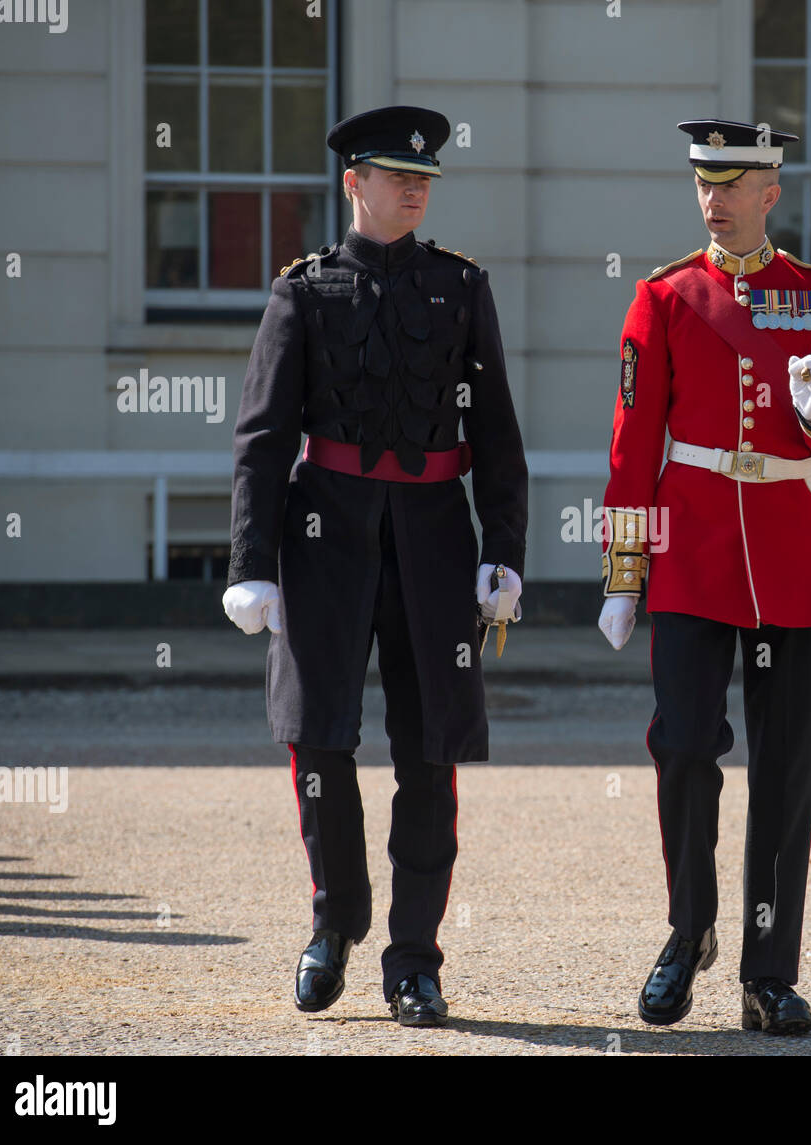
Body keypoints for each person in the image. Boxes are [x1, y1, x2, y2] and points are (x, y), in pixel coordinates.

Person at [221, 105, 528, 1027]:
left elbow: (499, 434)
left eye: (425, 176)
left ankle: (414, 958)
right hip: (325, 534)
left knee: (431, 749)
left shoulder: (462, 286)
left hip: (435, 537)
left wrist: (503, 550)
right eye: (398, 174)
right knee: (318, 737)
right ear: (354, 181)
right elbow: (264, 438)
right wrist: (252, 561)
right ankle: (334, 921)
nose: (415, 187)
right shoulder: (302, 293)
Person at [598, 119, 811, 1034]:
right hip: (693, 553)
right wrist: (624, 569)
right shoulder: (665, 296)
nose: (714, 197)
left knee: (784, 769)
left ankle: (769, 970)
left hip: (790, 553)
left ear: (771, 193)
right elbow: (636, 442)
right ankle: (688, 932)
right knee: (682, 745)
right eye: (705, 182)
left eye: (733, 181)